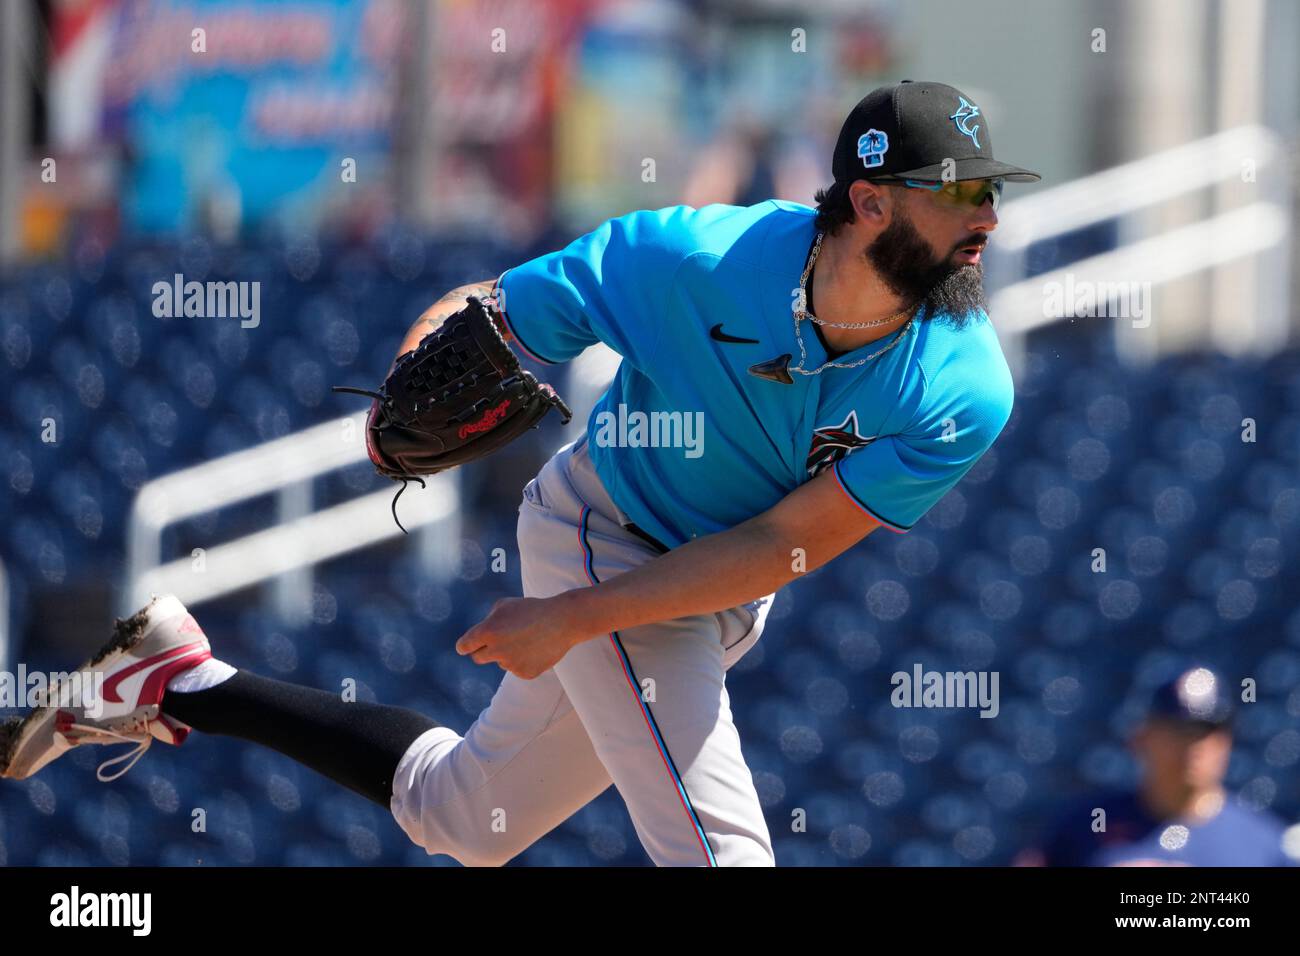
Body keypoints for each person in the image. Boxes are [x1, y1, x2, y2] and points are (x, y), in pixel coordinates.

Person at [2, 81, 1040, 867]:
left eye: (989, 192)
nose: (986, 219)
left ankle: (185, 678)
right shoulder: (688, 258)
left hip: (709, 583)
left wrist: (575, 622)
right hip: (604, 530)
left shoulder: (963, 384)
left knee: (462, 818)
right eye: (958, 196)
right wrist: (410, 376)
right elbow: (491, 312)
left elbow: (780, 545)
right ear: (867, 200)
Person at [1023, 666, 1295, 867]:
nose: (1194, 746)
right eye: (1179, 730)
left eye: (1207, 730)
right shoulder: (1083, 824)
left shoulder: (1264, 844)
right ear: (1141, 738)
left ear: (1227, 741)